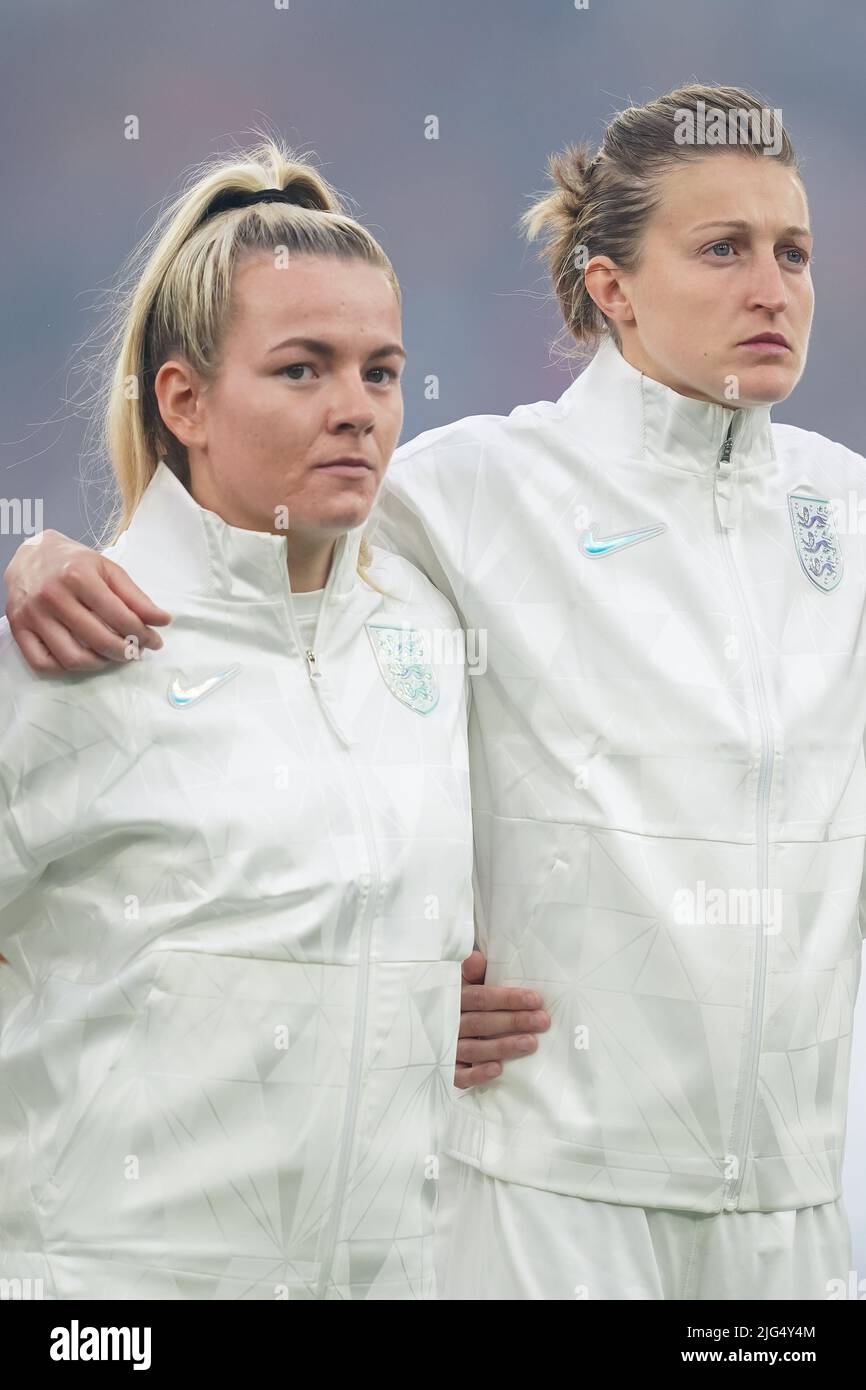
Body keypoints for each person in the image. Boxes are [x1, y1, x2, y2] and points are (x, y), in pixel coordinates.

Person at [6, 82, 862, 1301]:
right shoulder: (461, 497)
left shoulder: (848, 517)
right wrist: (39, 559)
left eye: (793, 251)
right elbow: (238, 576)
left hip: (791, 1229)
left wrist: (398, 980)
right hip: (536, 1214)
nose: (770, 287)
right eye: (721, 248)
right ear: (608, 285)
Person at [0, 137, 547, 1301]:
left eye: (382, 371)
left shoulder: (432, 651)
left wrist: (373, 996)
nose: (355, 409)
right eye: (302, 369)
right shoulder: (59, 646)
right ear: (184, 400)